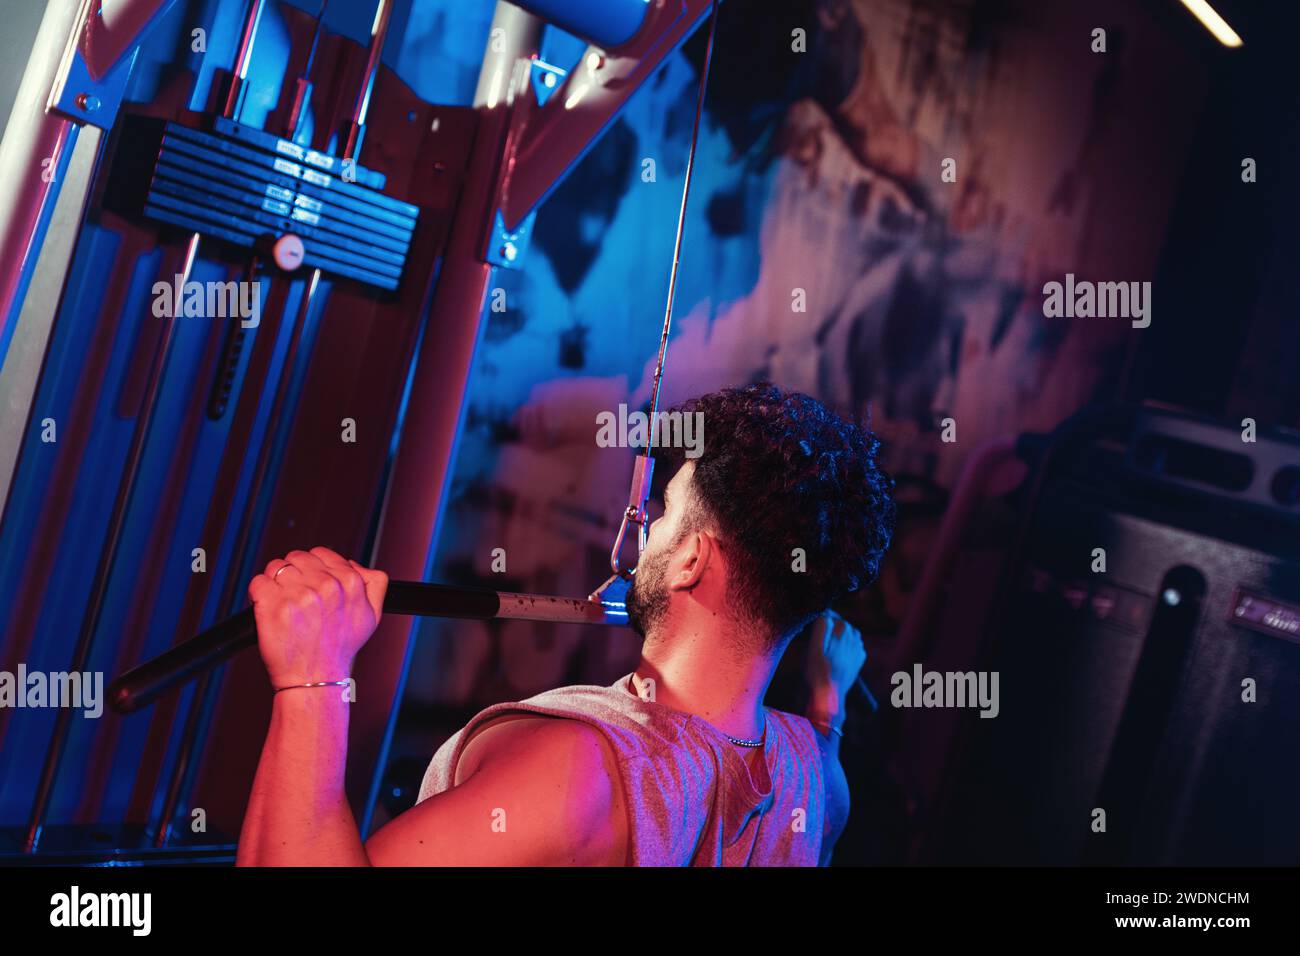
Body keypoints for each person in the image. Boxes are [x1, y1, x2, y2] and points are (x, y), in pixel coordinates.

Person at [236, 382, 895, 866]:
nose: (648, 530)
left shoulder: (583, 771)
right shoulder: (814, 780)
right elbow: (818, 757)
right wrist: (826, 697)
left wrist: (314, 678)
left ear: (691, 559)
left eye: (665, 511)